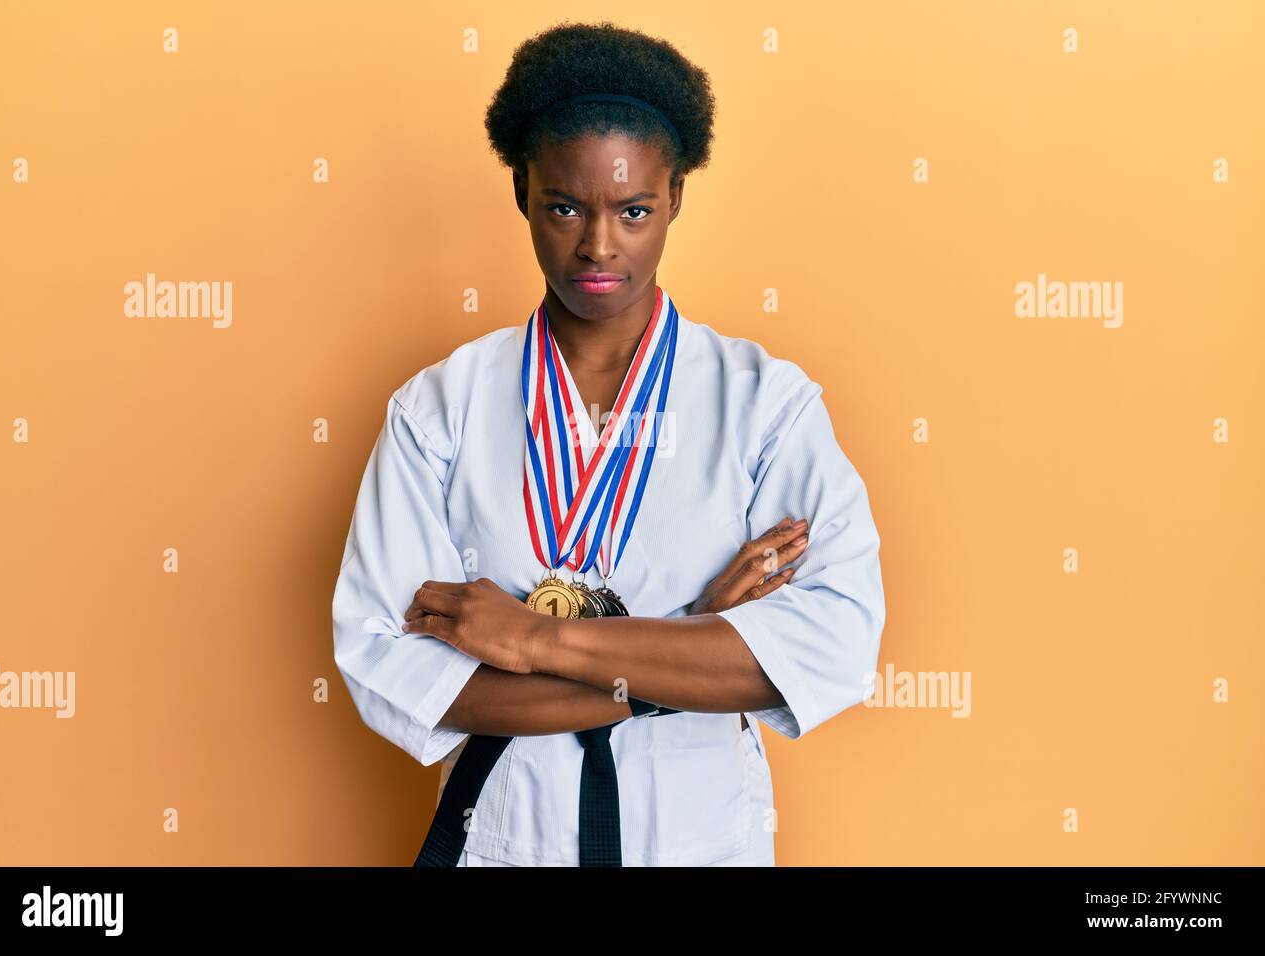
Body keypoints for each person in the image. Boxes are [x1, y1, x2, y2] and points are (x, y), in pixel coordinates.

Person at [332, 21, 885, 867]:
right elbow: (387, 668)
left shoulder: (764, 406)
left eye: (634, 210)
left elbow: (833, 646)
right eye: (564, 206)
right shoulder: (439, 410)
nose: (598, 245)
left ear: (674, 200)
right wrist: (699, 636)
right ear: (522, 193)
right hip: (507, 837)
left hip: (703, 841)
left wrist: (532, 641)